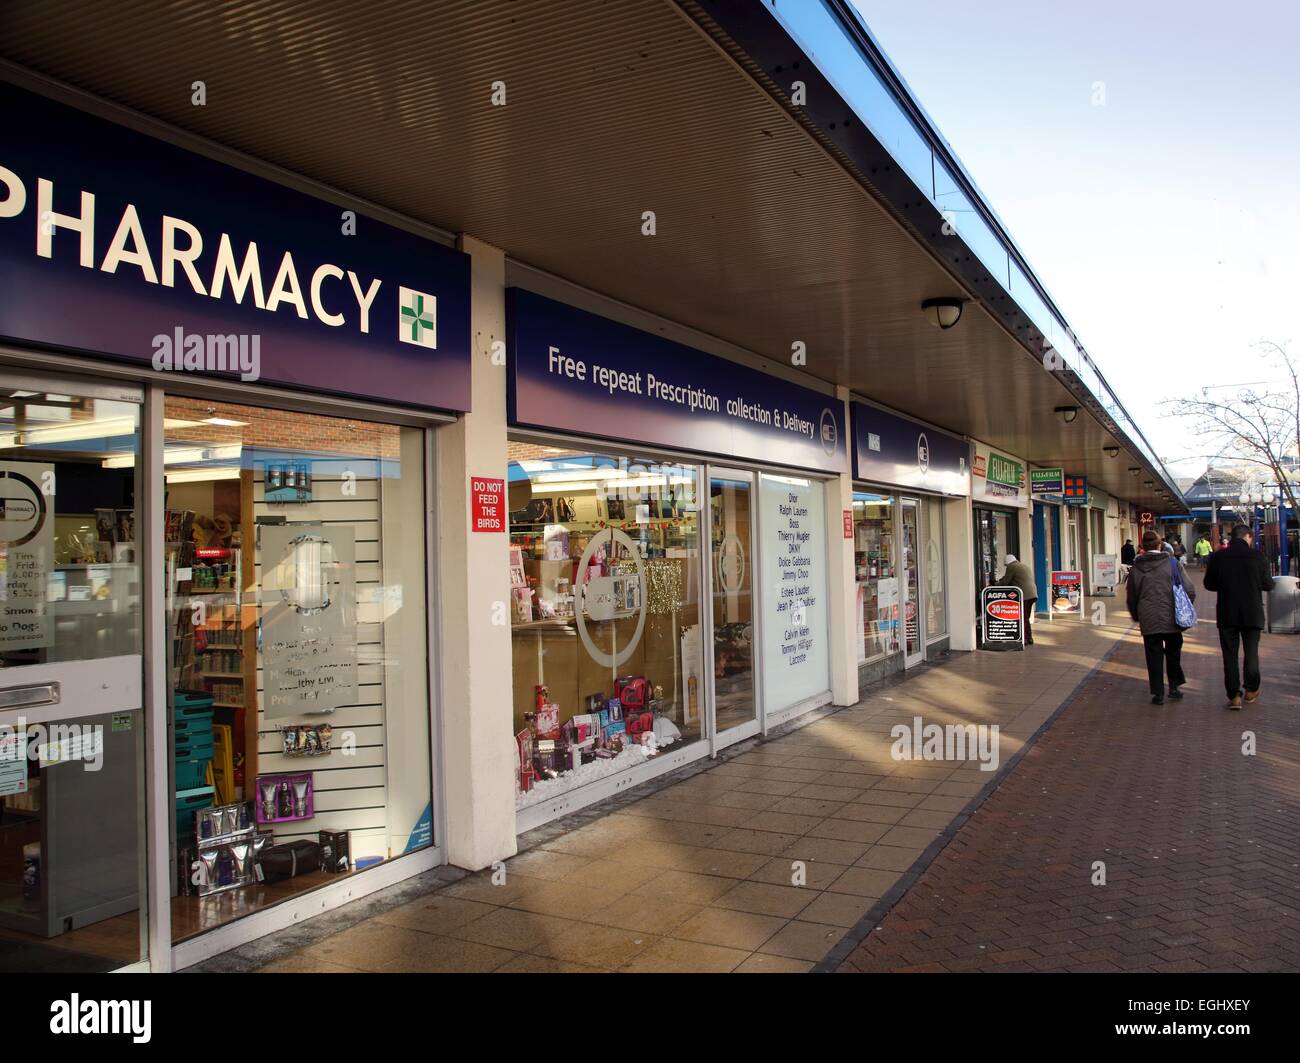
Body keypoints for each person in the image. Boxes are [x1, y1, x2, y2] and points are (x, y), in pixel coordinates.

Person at [1203, 523, 1274, 710]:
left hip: (1227, 613)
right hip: (1252, 612)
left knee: (1229, 654)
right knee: (1251, 653)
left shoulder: (1218, 557)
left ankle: (1234, 696)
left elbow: (1209, 584)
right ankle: (1251, 690)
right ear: (1248, 537)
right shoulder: (1258, 556)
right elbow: (1268, 585)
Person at [1126, 528, 1194, 705]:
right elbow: (1189, 589)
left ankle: (1158, 693)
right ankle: (1174, 687)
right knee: (1173, 652)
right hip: (1172, 616)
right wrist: (1185, 606)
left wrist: (1137, 615)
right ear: (1160, 545)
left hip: (1149, 618)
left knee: (1153, 654)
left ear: (1143, 547)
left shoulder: (1136, 567)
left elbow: (1131, 595)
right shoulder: (1172, 563)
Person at [999, 553, 1038, 645]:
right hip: (1032, 594)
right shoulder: (1023, 565)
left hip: (1024, 595)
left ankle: (1024, 640)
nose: (1006, 567)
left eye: (1006, 565)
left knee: (1023, 618)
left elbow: (1006, 582)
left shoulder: (1011, 567)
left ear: (1007, 563)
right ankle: (1029, 638)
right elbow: (1014, 579)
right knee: (1026, 618)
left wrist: (994, 585)